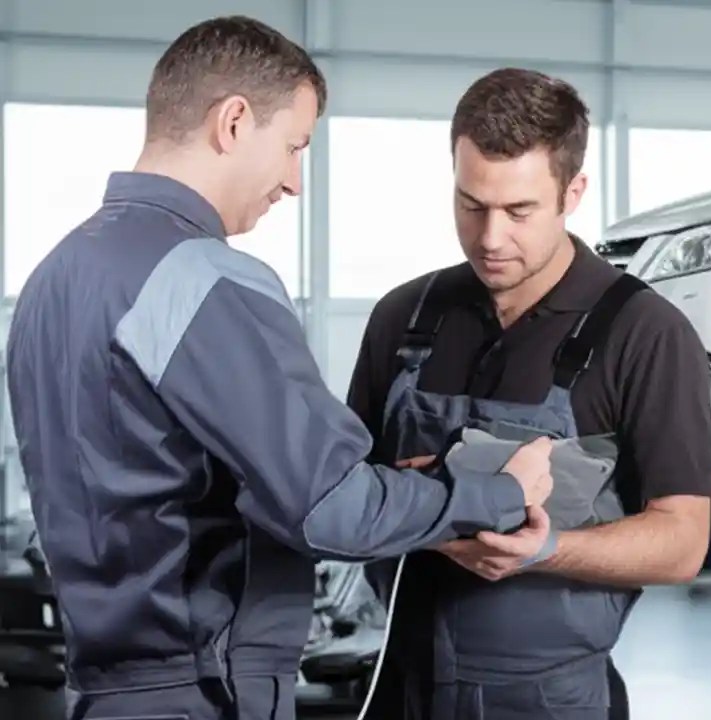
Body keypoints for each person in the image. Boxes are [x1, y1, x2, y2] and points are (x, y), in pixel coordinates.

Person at [5, 16, 555, 720]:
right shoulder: (206, 280)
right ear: (234, 121)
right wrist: (498, 494)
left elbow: (148, 474)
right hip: (206, 694)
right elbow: (332, 511)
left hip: (103, 691)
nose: (294, 182)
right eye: (294, 146)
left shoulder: (54, 278)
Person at [346, 67, 711, 720]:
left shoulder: (646, 334)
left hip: (552, 701)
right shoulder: (403, 316)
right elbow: (345, 491)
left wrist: (544, 551)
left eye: (519, 212)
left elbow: (683, 542)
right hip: (400, 690)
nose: (490, 239)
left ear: (572, 191)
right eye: (471, 204)